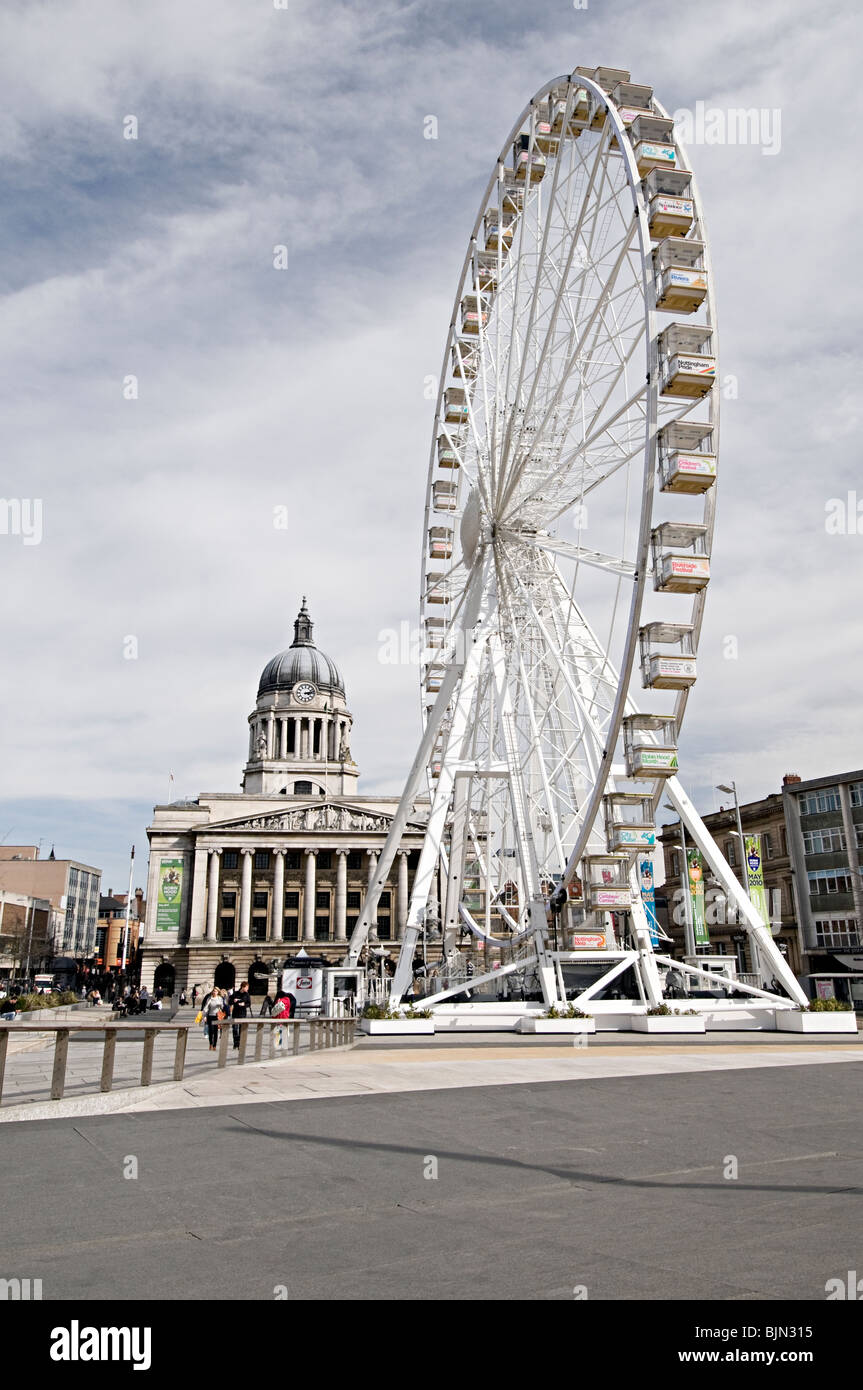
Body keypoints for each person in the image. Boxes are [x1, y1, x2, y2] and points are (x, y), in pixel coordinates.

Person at [230, 980, 252, 1050]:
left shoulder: (247, 995)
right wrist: (233, 1001)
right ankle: (235, 1043)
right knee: (235, 1029)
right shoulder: (235, 993)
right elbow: (230, 1001)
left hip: (242, 1014)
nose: (247, 989)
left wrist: (244, 1004)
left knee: (241, 1029)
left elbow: (249, 1004)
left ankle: (239, 1044)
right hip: (235, 1013)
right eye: (246, 987)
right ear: (242, 987)